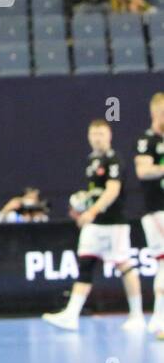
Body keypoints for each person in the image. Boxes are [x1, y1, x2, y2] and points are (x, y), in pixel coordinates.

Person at [42, 119, 142, 331]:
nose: (97, 138)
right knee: (86, 264)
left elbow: (112, 191)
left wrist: (91, 212)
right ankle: (71, 315)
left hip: (114, 223)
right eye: (94, 134)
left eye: (101, 134)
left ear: (109, 136)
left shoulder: (114, 160)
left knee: (123, 264)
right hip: (94, 224)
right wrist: (81, 208)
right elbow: (94, 192)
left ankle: (137, 315)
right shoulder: (91, 161)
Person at [133, 93, 164, 336]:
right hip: (157, 210)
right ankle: (158, 319)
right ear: (154, 112)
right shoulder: (147, 140)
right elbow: (143, 171)